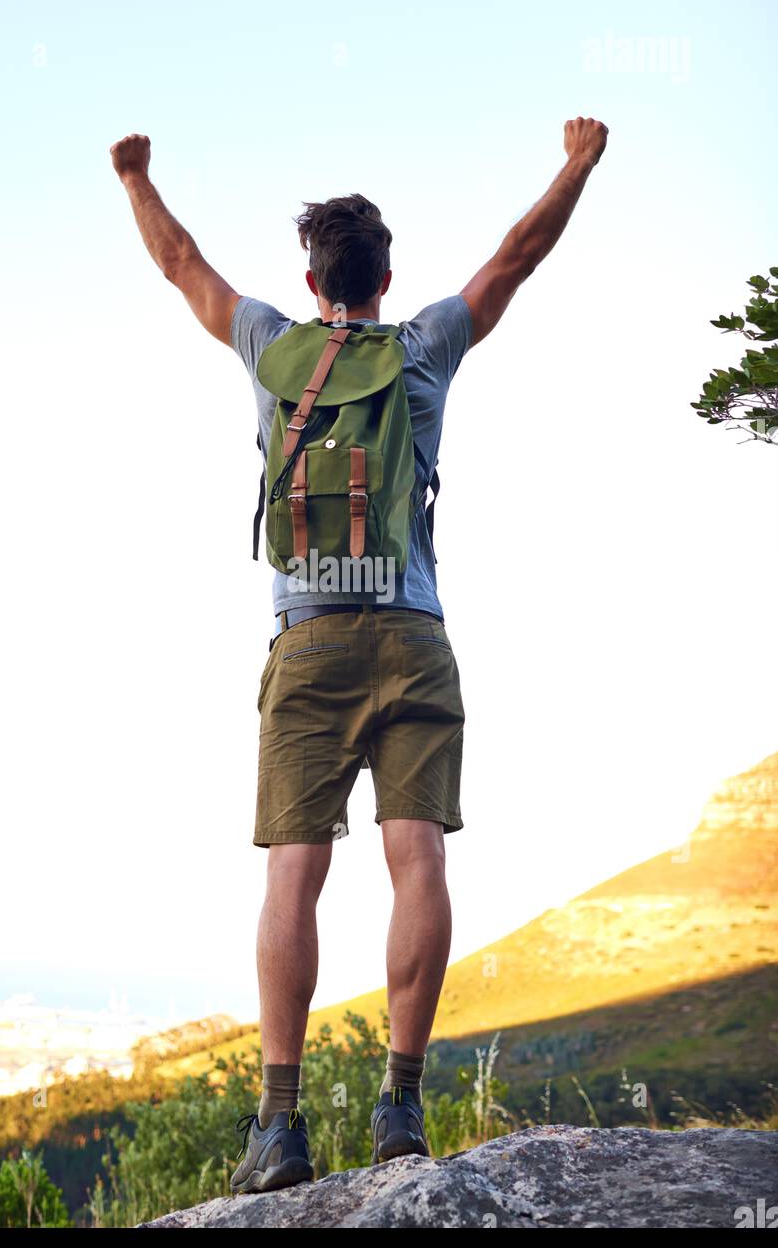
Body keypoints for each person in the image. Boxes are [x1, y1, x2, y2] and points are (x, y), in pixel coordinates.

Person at [111, 116, 609, 1193]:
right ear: (386, 280)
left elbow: (179, 263)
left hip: (308, 637)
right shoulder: (423, 346)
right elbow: (516, 256)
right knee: (416, 855)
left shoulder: (265, 345)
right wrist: (575, 162)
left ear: (309, 278)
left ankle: (277, 1128)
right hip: (412, 631)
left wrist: (136, 177)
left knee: (296, 869)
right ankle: (398, 1103)